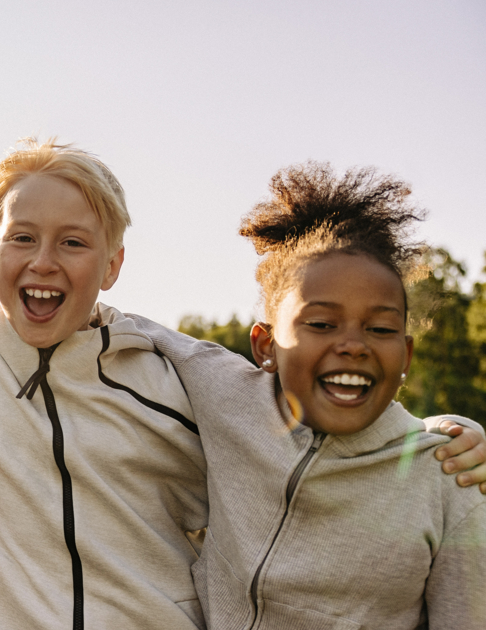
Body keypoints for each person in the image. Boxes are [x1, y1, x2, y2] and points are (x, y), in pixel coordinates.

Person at [0, 141, 486, 629]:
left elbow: (314, 387)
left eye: (73, 242)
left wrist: (435, 435)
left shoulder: (173, 368)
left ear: (112, 266)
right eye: (22, 239)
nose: (44, 262)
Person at [130, 163, 486, 628]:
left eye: (379, 329)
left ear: (406, 356)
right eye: (321, 324)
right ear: (266, 346)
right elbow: (115, 324)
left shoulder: (450, 480)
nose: (354, 345)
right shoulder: (221, 392)